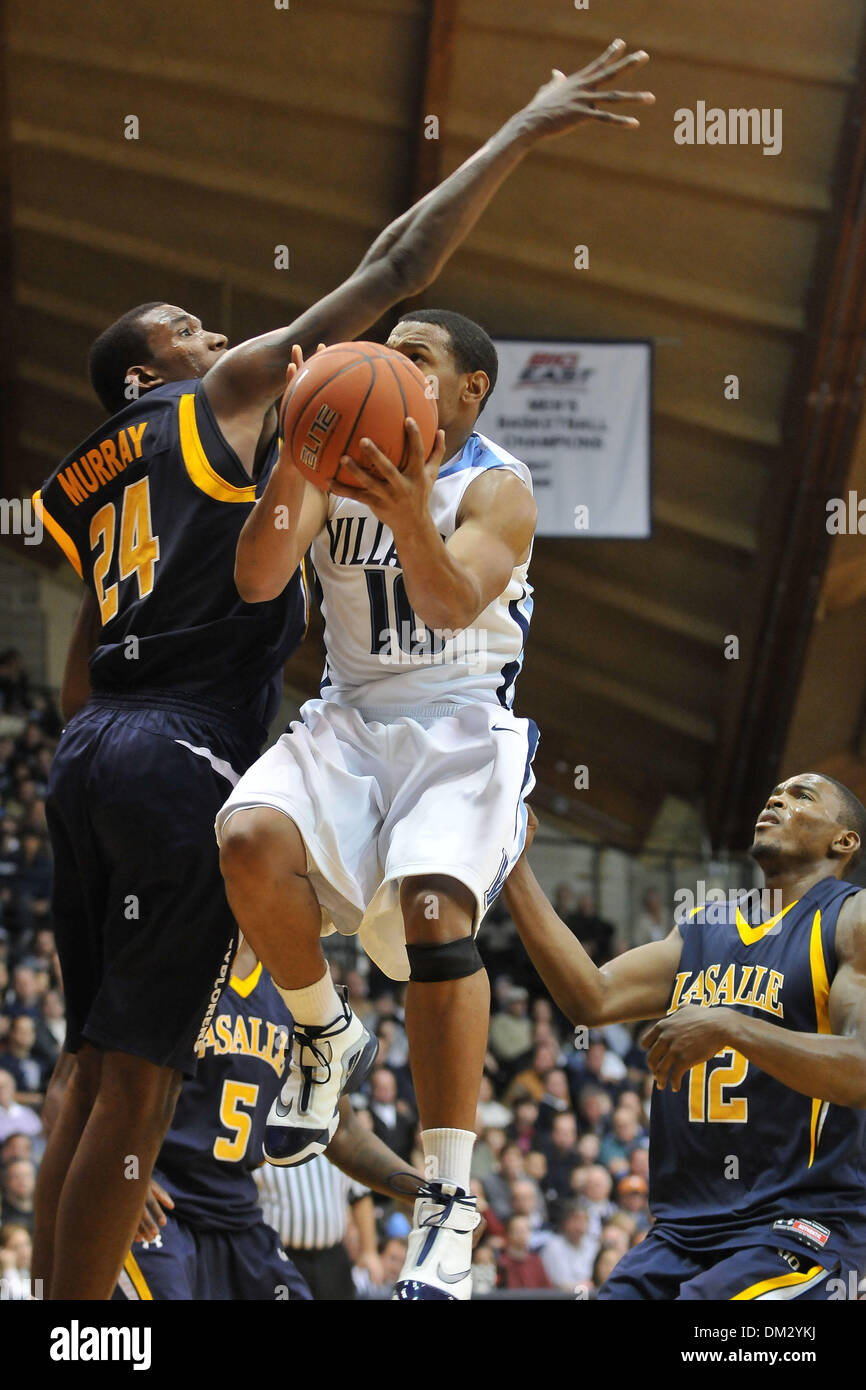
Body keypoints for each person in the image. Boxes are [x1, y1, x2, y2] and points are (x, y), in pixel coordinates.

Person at [32, 42, 651, 1302]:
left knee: (91, 1068)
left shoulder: (86, 475)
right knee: (137, 1071)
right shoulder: (232, 409)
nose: (222, 335)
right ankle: (87, 1328)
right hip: (209, 743)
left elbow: (84, 655)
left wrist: (89, 749)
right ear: (154, 373)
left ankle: (425, 1188)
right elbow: (392, 267)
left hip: (111, 749)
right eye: (190, 330)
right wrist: (518, 132)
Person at [215, 45, 653, 1302]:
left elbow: (456, 593)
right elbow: (258, 585)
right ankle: (323, 1032)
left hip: (462, 724)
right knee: (246, 837)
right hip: (351, 716)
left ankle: (450, 1203)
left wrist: (403, 506)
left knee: (432, 914)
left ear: (464, 388)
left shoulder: (496, 485)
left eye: (415, 355)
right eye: (384, 351)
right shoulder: (335, 451)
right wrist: (295, 470)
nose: (392, 366)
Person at [504, 775, 866, 1299]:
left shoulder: (851, 917)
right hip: (681, 1233)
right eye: (773, 795)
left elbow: (860, 1069)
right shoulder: (705, 924)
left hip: (800, 1227)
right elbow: (592, 997)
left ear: (844, 841)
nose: (777, 800)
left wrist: (731, 1025)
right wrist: (513, 866)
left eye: (802, 796)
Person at [105, 940, 423, 1300]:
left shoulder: (298, 986)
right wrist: (123, 1168)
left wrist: (426, 1192)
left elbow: (343, 1130)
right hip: (162, 1202)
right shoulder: (181, 956)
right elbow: (95, 1081)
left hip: (238, 1212)